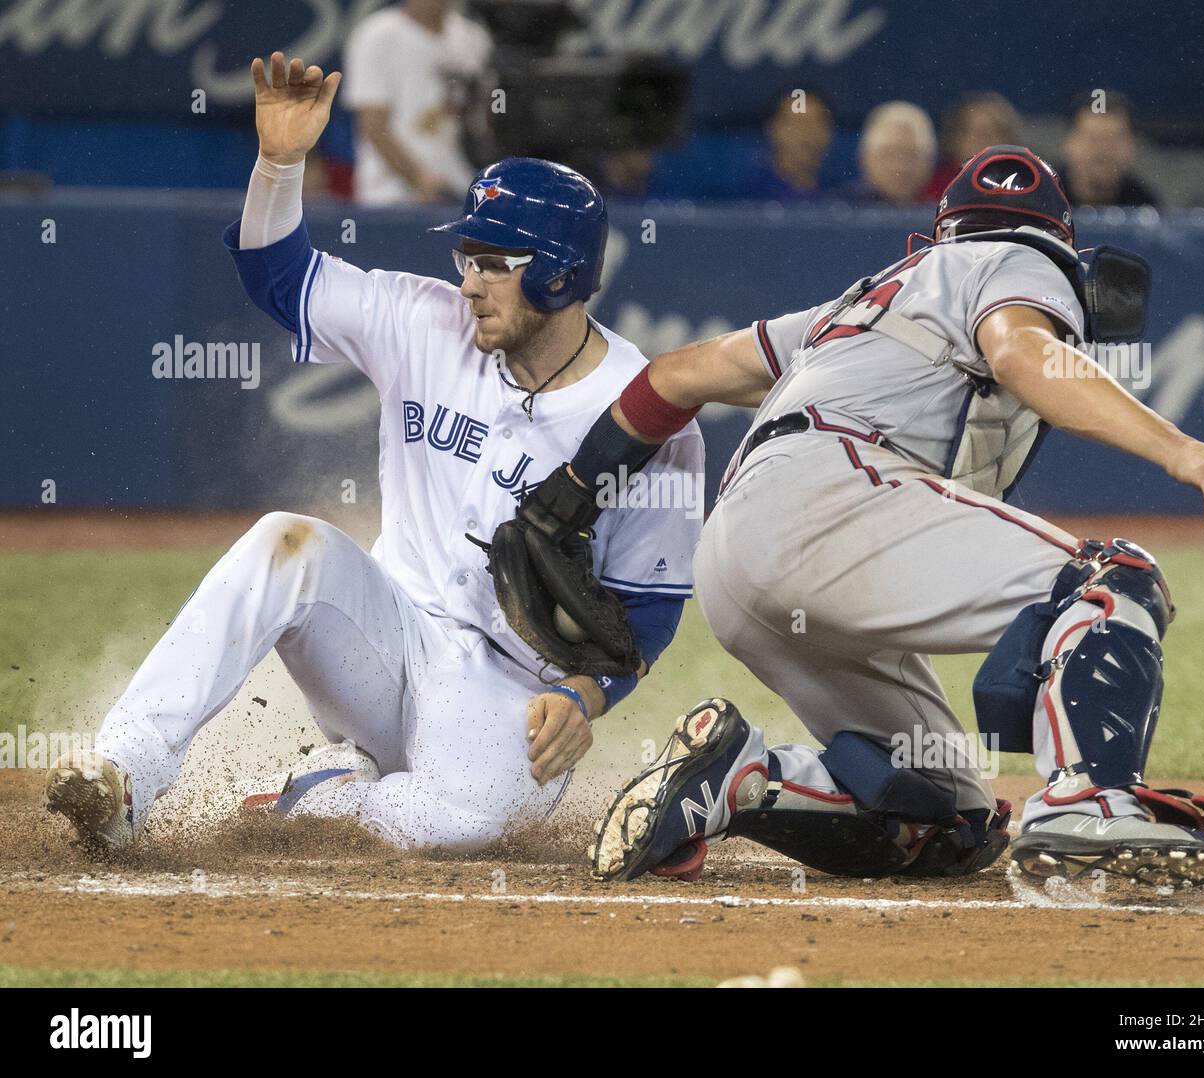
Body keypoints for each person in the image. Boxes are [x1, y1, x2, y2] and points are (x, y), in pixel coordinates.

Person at [525, 145, 1204, 887]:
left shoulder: (857, 304)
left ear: (942, 229)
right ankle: (1089, 800)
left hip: (740, 561)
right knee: (1112, 579)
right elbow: (1022, 354)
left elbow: (675, 376)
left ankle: (742, 777)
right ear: (1058, 238)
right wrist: (1184, 452)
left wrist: (575, 490)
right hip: (835, 499)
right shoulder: (1020, 260)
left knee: (946, 819)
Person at [44, 52, 703, 852]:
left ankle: (329, 795)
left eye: (495, 264)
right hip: (388, 637)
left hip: (510, 695)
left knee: (450, 827)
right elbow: (276, 275)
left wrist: (587, 696)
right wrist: (280, 165)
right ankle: (126, 773)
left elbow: (650, 609)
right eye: (468, 258)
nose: (468, 283)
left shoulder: (644, 422)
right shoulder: (421, 320)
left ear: (562, 277)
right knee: (285, 542)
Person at [344, 0, 492, 205]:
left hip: (463, 190)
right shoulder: (377, 34)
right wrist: (418, 179)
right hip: (391, 196)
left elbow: (482, 120)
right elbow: (373, 126)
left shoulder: (474, 38)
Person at [1059, 92, 1160, 208]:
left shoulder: (1145, 207)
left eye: (1113, 140)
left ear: (1131, 146)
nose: (1103, 150)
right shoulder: (1044, 197)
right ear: (1070, 143)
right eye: (1094, 139)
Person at [735, 89, 835, 201]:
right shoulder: (752, 198)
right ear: (772, 129)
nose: (810, 132)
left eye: (820, 122)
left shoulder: (837, 193)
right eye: (800, 122)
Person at [922, 92, 1023, 201]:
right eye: (975, 134)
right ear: (956, 139)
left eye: (991, 134)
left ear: (1009, 142)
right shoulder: (929, 187)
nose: (982, 143)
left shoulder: (1024, 186)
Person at [841, 100, 937, 206]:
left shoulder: (943, 216)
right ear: (865, 158)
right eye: (889, 155)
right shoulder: (834, 212)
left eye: (912, 156)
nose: (900, 168)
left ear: (930, 161)